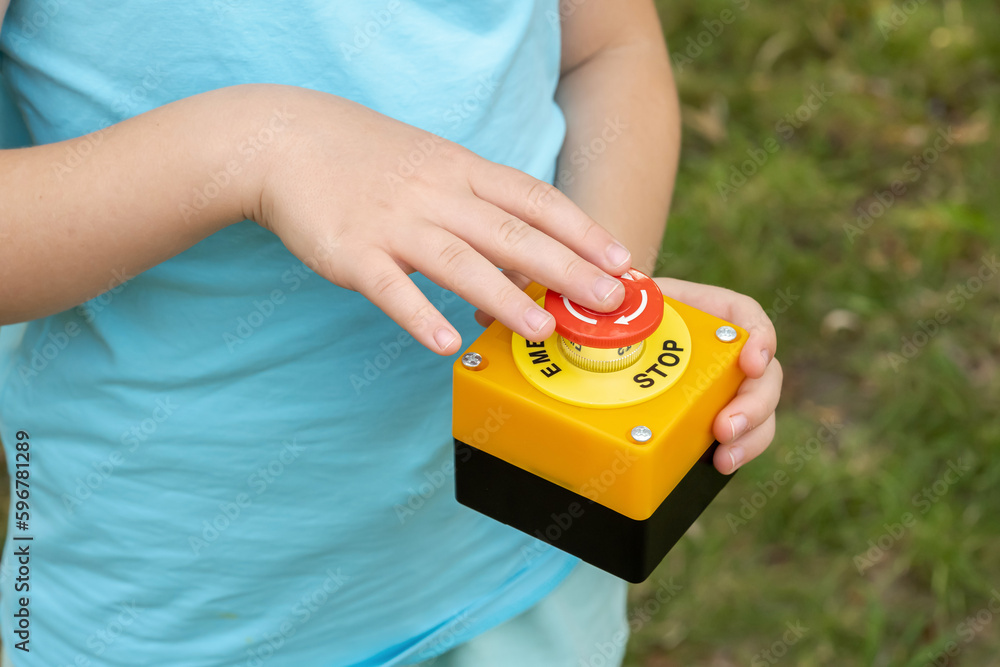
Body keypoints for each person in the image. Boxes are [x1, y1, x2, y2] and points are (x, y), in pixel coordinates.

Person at [0, 0, 782, 665]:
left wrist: (595, 302)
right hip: (171, 611)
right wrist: (255, 146)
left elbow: (608, 52)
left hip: (527, 562)